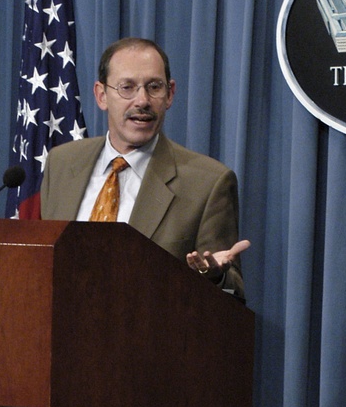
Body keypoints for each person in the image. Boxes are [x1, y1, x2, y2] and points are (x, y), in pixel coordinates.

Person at [41, 36, 249, 299]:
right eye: (127, 87)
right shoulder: (61, 163)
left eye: (154, 87)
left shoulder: (208, 184)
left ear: (170, 94)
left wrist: (217, 278)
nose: (142, 100)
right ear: (101, 95)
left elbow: (234, 298)